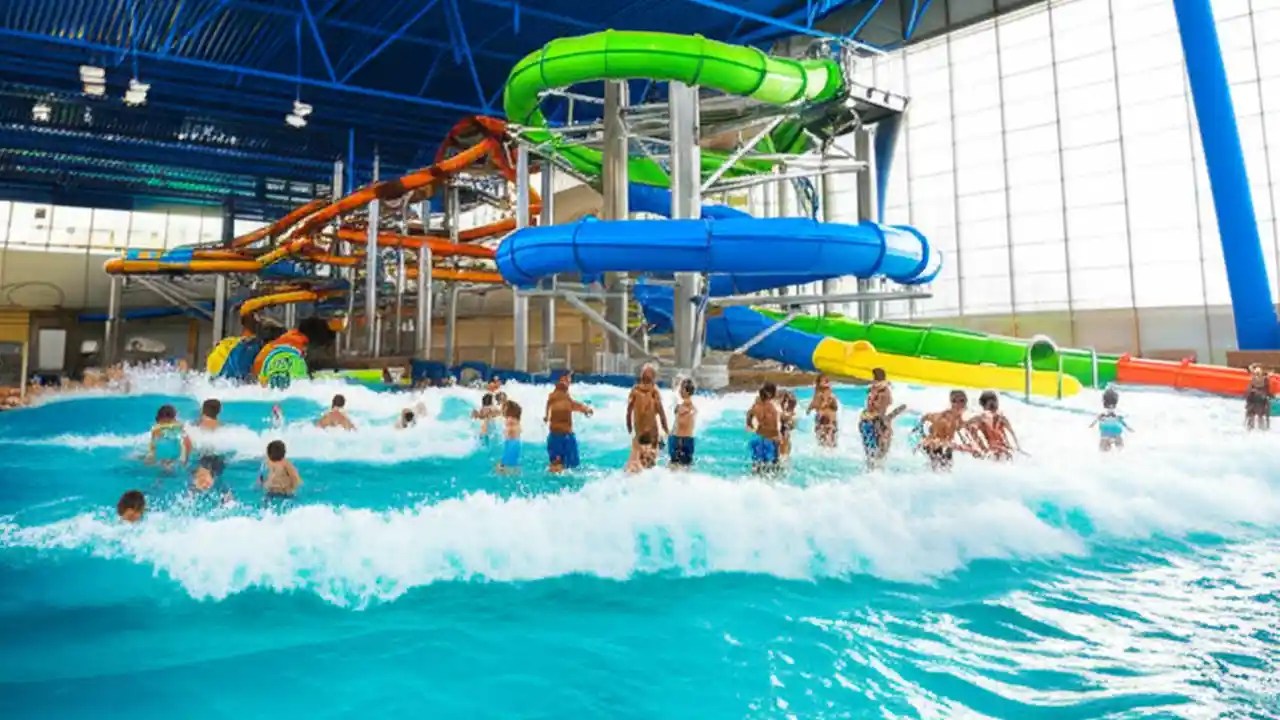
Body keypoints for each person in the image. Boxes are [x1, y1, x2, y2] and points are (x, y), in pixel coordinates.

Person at [916, 390, 982, 471]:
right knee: (943, 472)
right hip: (935, 446)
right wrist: (970, 450)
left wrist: (922, 435)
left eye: (962, 401)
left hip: (932, 445)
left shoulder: (953, 416)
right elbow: (945, 442)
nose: (960, 404)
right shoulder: (948, 420)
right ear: (951, 402)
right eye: (955, 401)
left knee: (941, 471)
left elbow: (925, 417)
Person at [859, 369, 907, 468]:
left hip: (870, 421)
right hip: (876, 422)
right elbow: (886, 405)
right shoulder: (882, 391)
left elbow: (877, 406)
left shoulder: (875, 390)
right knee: (879, 456)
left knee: (871, 455)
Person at [544, 374, 593, 472]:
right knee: (572, 468)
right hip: (565, 436)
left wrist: (546, 416)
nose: (569, 382)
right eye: (567, 379)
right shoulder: (562, 398)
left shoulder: (554, 397)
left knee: (557, 465)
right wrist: (585, 409)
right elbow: (571, 404)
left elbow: (551, 406)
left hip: (555, 435)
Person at [626, 365, 670, 472]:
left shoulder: (653, 392)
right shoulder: (635, 390)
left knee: (648, 461)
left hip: (650, 434)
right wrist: (629, 425)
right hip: (642, 432)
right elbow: (629, 410)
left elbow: (661, 412)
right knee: (641, 462)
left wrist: (666, 429)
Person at [972, 391, 1020, 461]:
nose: (993, 407)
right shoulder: (981, 419)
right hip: (994, 449)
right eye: (991, 406)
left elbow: (1012, 434)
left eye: (994, 405)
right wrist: (982, 447)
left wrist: (1017, 448)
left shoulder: (1001, 418)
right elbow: (972, 431)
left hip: (1001, 448)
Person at [746, 382, 782, 474]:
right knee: (773, 466)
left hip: (757, 437)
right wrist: (777, 437)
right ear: (771, 394)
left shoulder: (756, 404)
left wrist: (749, 424)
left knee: (757, 466)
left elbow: (749, 413)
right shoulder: (770, 407)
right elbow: (772, 424)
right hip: (769, 439)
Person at [147, 404, 191, 470]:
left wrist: (185, 458)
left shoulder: (178, 428)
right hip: (169, 453)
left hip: (174, 453)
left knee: (167, 466)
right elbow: (153, 445)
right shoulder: (157, 430)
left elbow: (187, 443)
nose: (166, 425)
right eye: (164, 422)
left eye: (168, 422)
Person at [1089, 387, 1133, 451]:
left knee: (1103, 452)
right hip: (1116, 434)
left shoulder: (1102, 413)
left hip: (1105, 434)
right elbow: (1122, 421)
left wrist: (1093, 423)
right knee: (1120, 450)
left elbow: (1092, 424)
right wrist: (1128, 428)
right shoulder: (1118, 413)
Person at [668, 378, 697, 468]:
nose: (680, 391)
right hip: (688, 440)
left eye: (681, 388)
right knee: (686, 469)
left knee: (673, 469)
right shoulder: (693, 409)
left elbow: (679, 424)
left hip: (679, 440)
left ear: (686, 391)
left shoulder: (683, 409)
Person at [807, 374, 839, 448]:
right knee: (822, 440)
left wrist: (829, 402)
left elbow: (835, 408)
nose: (826, 383)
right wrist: (809, 408)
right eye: (824, 381)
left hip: (831, 420)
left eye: (827, 381)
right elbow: (813, 403)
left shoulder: (832, 396)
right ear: (819, 383)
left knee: (832, 440)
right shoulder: (818, 395)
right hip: (822, 419)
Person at [1246, 363, 1271, 431]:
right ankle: (1250, 428)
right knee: (1251, 417)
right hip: (1253, 400)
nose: (1256, 374)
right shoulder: (1253, 379)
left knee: (1261, 417)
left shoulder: (1265, 379)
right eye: (1256, 372)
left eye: (1258, 372)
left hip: (1261, 401)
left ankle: (1264, 429)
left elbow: (1267, 391)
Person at [499, 401, 522, 473]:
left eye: (504, 408)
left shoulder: (510, 420)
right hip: (515, 445)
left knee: (504, 468)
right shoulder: (517, 421)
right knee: (513, 467)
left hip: (511, 445)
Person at [778, 390, 798, 460]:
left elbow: (793, 426)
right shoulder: (778, 412)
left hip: (785, 443)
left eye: (788, 402)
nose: (786, 404)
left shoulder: (791, 414)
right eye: (785, 401)